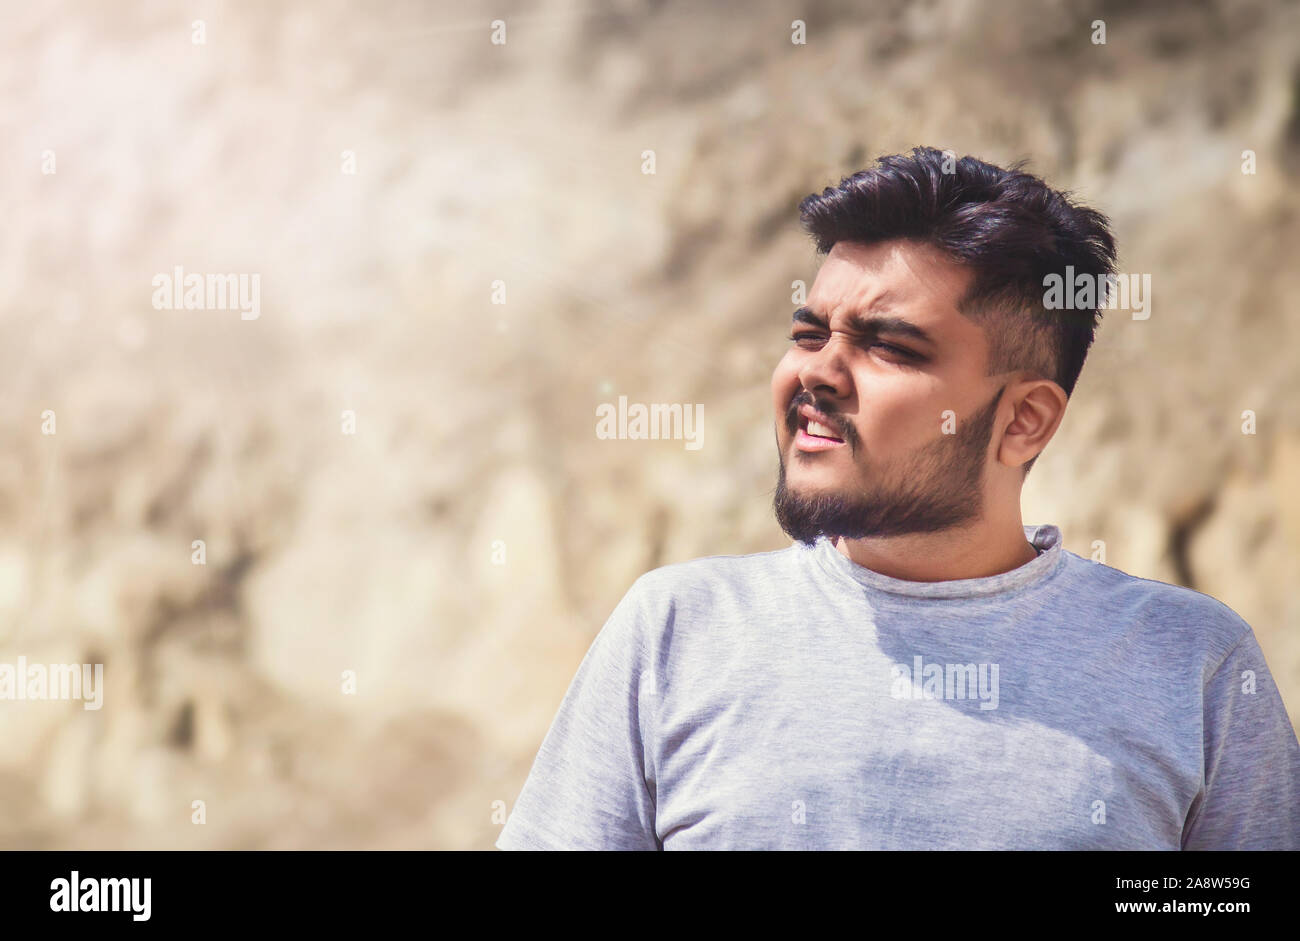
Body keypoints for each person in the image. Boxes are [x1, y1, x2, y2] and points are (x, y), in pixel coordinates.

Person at [496, 146, 1300, 850]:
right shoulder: (675, 631)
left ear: (1023, 421)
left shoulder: (1193, 665)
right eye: (810, 333)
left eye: (888, 346)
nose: (816, 370)